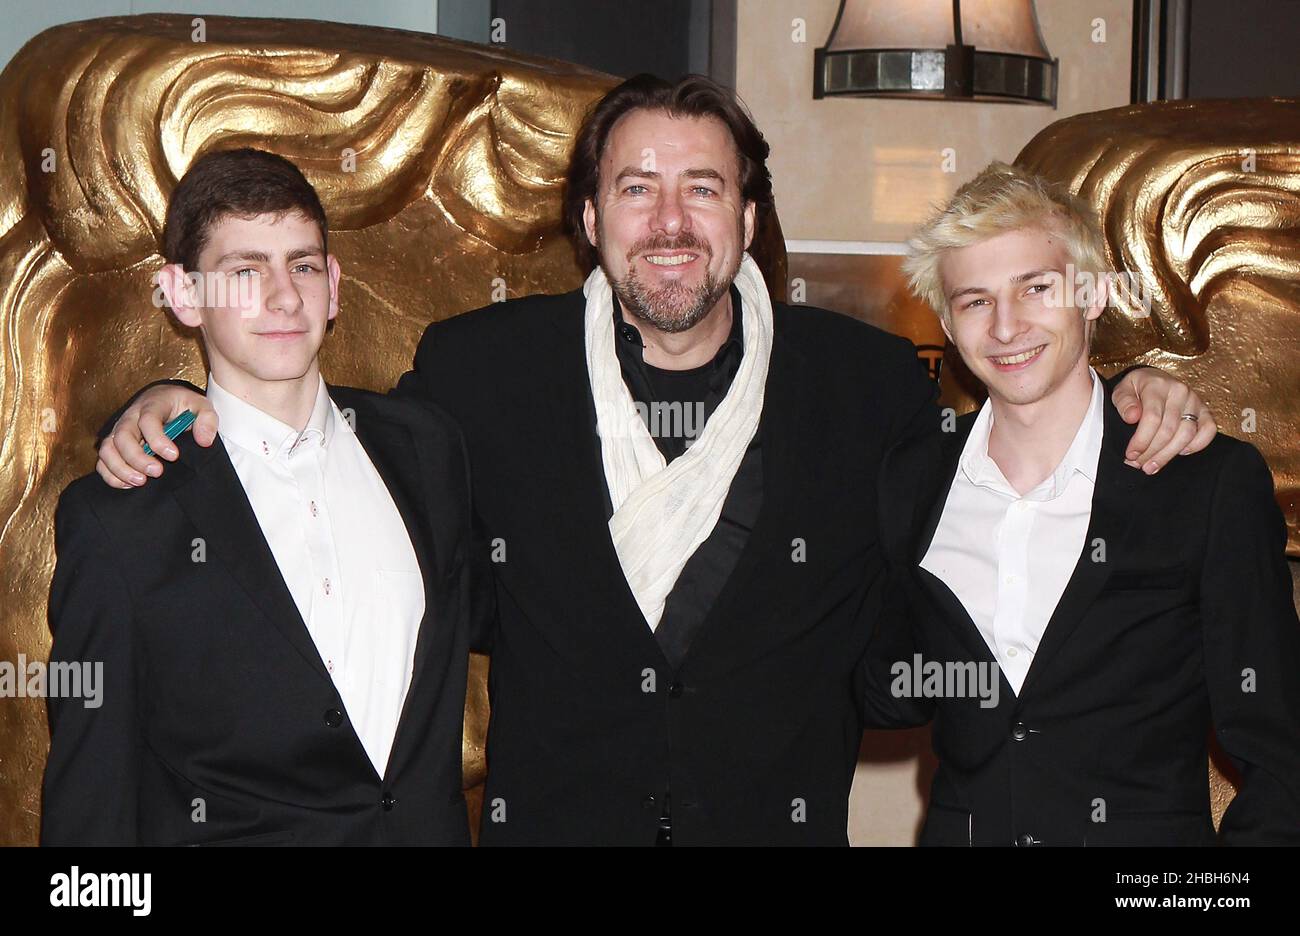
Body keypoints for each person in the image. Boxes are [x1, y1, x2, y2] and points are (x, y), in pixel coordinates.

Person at [92, 77, 1216, 846]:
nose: (669, 221)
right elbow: (307, 450)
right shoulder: (477, 377)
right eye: (636, 189)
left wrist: (1131, 389)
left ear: (745, 213)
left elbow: (1016, 439)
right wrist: (170, 394)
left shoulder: (868, 386)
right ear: (588, 217)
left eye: (703, 188)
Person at [43, 149, 482, 845]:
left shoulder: (427, 449)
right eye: (245, 272)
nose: (283, 297)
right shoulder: (119, 518)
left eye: (303, 266)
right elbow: (89, 812)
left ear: (333, 286)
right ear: (184, 295)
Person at [873, 161, 1300, 845]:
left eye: (1036, 288)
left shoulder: (1204, 482)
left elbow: (1283, 753)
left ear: (1094, 294)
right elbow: (883, 686)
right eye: (975, 300)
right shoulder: (911, 481)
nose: (1007, 328)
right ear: (949, 326)